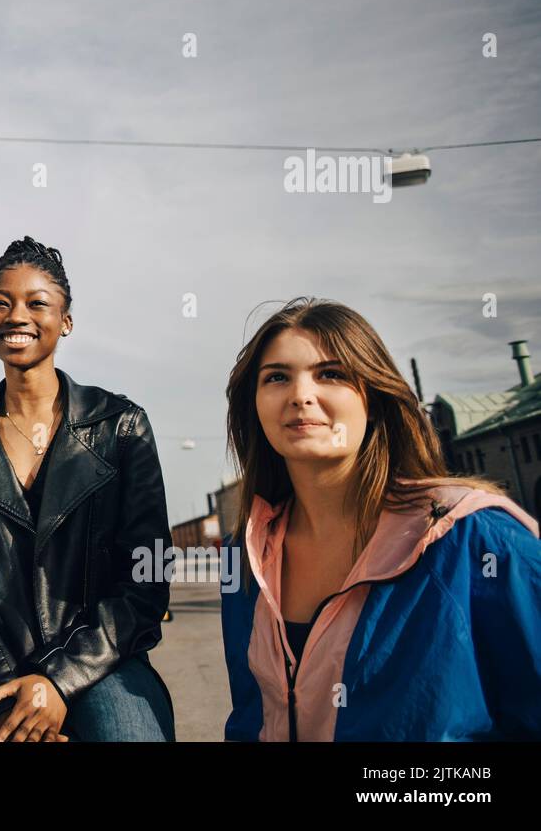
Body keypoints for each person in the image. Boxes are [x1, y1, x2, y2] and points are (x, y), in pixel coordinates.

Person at [221, 298, 541, 741]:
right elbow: (249, 715)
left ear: (372, 398)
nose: (300, 395)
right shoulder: (247, 553)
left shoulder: (473, 536)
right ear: (254, 405)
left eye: (330, 374)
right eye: (276, 377)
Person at [0, 236, 176, 742]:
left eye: (37, 303)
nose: (17, 315)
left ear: (66, 321)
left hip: (103, 661)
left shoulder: (121, 426)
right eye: (0, 302)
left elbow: (146, 577)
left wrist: (57, 680)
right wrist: (1, 688)